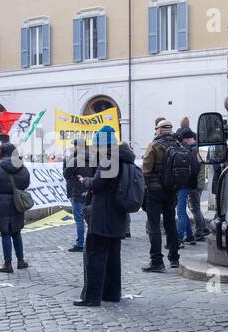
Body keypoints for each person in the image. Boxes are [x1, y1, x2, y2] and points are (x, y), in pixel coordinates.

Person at [76, 141, 137, 306]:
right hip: (118, 214)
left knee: (94, 256)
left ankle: (92, 297)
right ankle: (111, 294)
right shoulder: (125, 158)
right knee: (112, 257)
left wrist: (85, 180)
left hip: (103, 214)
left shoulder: (110, 159)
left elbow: (97, 183)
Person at [141, 117, 183, 273]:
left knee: (154, 226)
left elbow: (146, 169)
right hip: (171, 191)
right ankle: (174, 258)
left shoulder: (154, 146)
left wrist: (147, 185)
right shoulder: (178, 145)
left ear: (159, 130)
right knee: (171, 224)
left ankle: (157, 261)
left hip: (155, 191)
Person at [0, 142, 31, 274]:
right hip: (17, 202)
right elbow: (26, 184)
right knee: (16, 232)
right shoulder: (23, 168)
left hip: (2, 202)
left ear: (1, 153)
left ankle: (7, 264)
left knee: (5, 233)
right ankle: (21, 261)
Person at [62, 136, 93, 253]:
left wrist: (73, 175)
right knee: (90, 218)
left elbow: (66, 174)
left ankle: (80, 243)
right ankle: (93, 241)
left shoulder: (73, 160)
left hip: (77, 191)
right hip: (89, 191)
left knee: (79, 219)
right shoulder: (93, 158)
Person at [175, 129, 205, 245]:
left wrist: (197, 185)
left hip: (191, 184)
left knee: (191, 209)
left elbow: (199, 169)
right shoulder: (197, 148)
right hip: (194, 184)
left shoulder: (192, 150)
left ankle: (183, 237)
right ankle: (191, 235)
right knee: (192, 208)